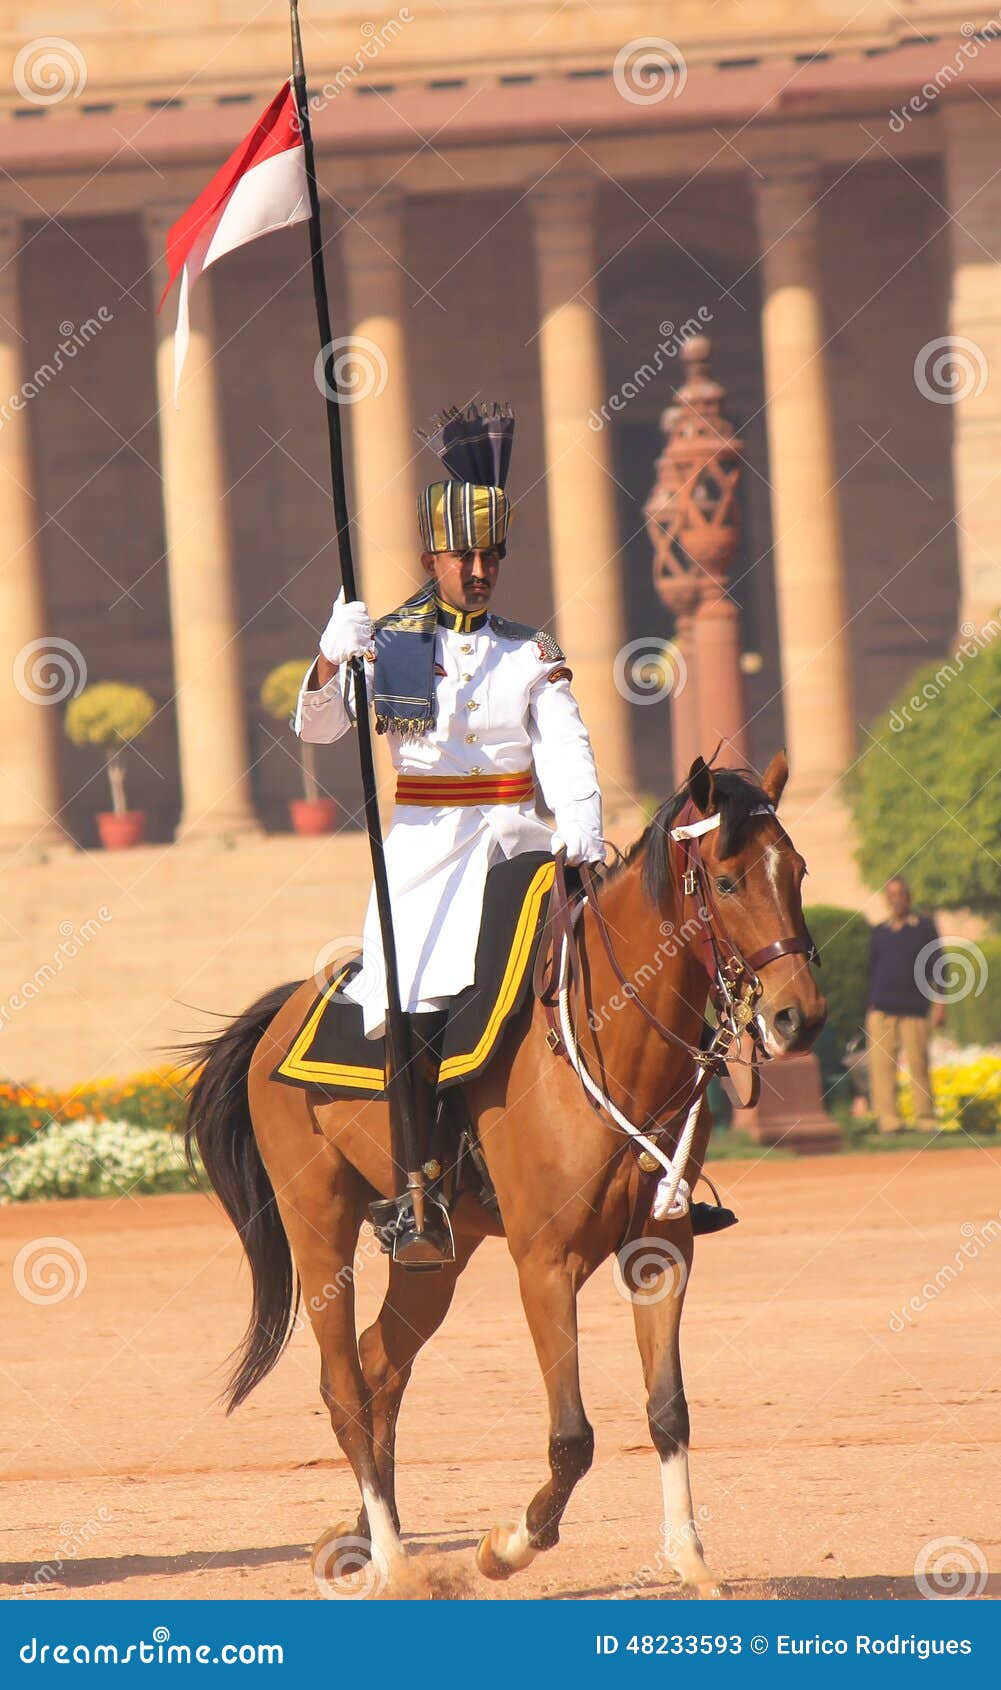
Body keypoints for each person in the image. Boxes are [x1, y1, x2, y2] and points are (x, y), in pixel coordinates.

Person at [293, 402, 604, 1259]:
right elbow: (318, 732)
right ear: (431, 558)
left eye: (490, 555)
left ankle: (654, 1163)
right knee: (408, 993)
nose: (478, 570)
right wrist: (329, 658)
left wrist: (582, 833)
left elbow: (567, 751)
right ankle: (420, 1190)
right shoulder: (385, 642)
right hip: (426, 851)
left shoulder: (526, 651)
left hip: (516, 842)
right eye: (464, 555)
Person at [865, 875, 944, 1135]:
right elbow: (871, 971)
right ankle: (889, 1122)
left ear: (908, 897)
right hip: (882, 1011)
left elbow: (939, 967)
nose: (896, 899)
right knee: (882, 1070)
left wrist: (940, 1003)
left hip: (915, 1011)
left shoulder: (924, 928)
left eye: (900, 894)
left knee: (919, 1067)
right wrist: (869, 1007)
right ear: (887, 899)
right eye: (891, 894)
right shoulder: (879, 932)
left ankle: (925, 1120)